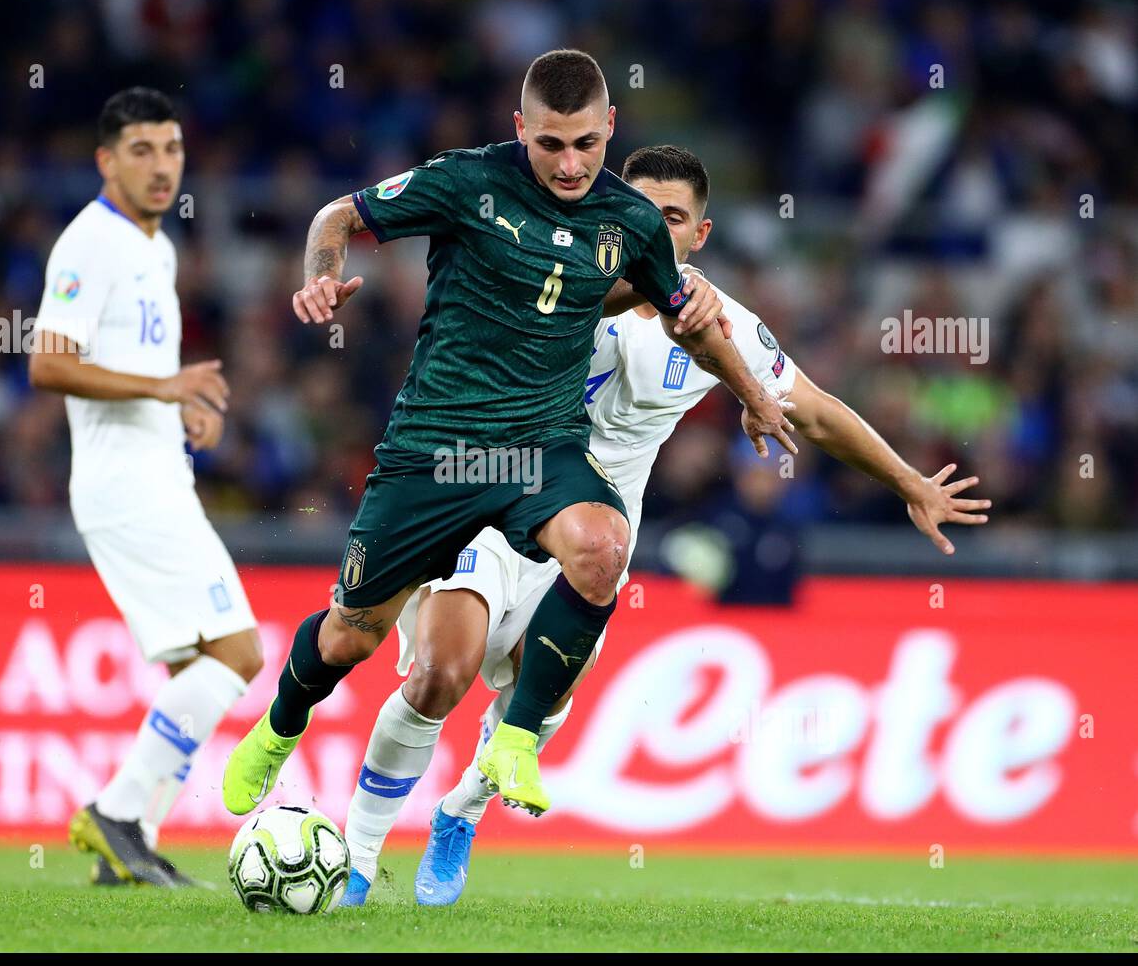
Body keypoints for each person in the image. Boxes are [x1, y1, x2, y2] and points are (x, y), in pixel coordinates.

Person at [339, 144, 992, 906]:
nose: (649, 225)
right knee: (440, 671)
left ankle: (461, 812)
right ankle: (358, 856)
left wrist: (909, 480)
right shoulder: (556, 279)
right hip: (497, 490)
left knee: (543, 694)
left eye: (670, 217)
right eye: (637, 207)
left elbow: (812, 410)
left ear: (699, 234)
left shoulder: (720, 325)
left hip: (591, 539)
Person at [222, 50, 795, 821]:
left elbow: (693, 320)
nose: (569, 164)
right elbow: (339, 216)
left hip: (540, 448)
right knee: (349, 639)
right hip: (439, 447)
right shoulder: (467, 181)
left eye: (586, 144)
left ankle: (515, 735)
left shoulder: (629, 218)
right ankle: (279, 724)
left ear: (610, 128)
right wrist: (320, 273)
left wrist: (755, 395)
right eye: (550, 143)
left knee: (602, 548)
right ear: (520, 126)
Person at [29, 87, 263, 886]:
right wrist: (162, 390)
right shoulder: (88, 243)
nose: (161, 167)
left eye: (171, 150)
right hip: (125, 488)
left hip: (156, 472)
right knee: (238, 651)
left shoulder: (155, 247)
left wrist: (178, 412)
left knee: (195, 665)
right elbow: (48, 361)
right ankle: (118, 813)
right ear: (106, 161)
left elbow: (138, 370)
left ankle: (129, 851)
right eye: (141, 151)